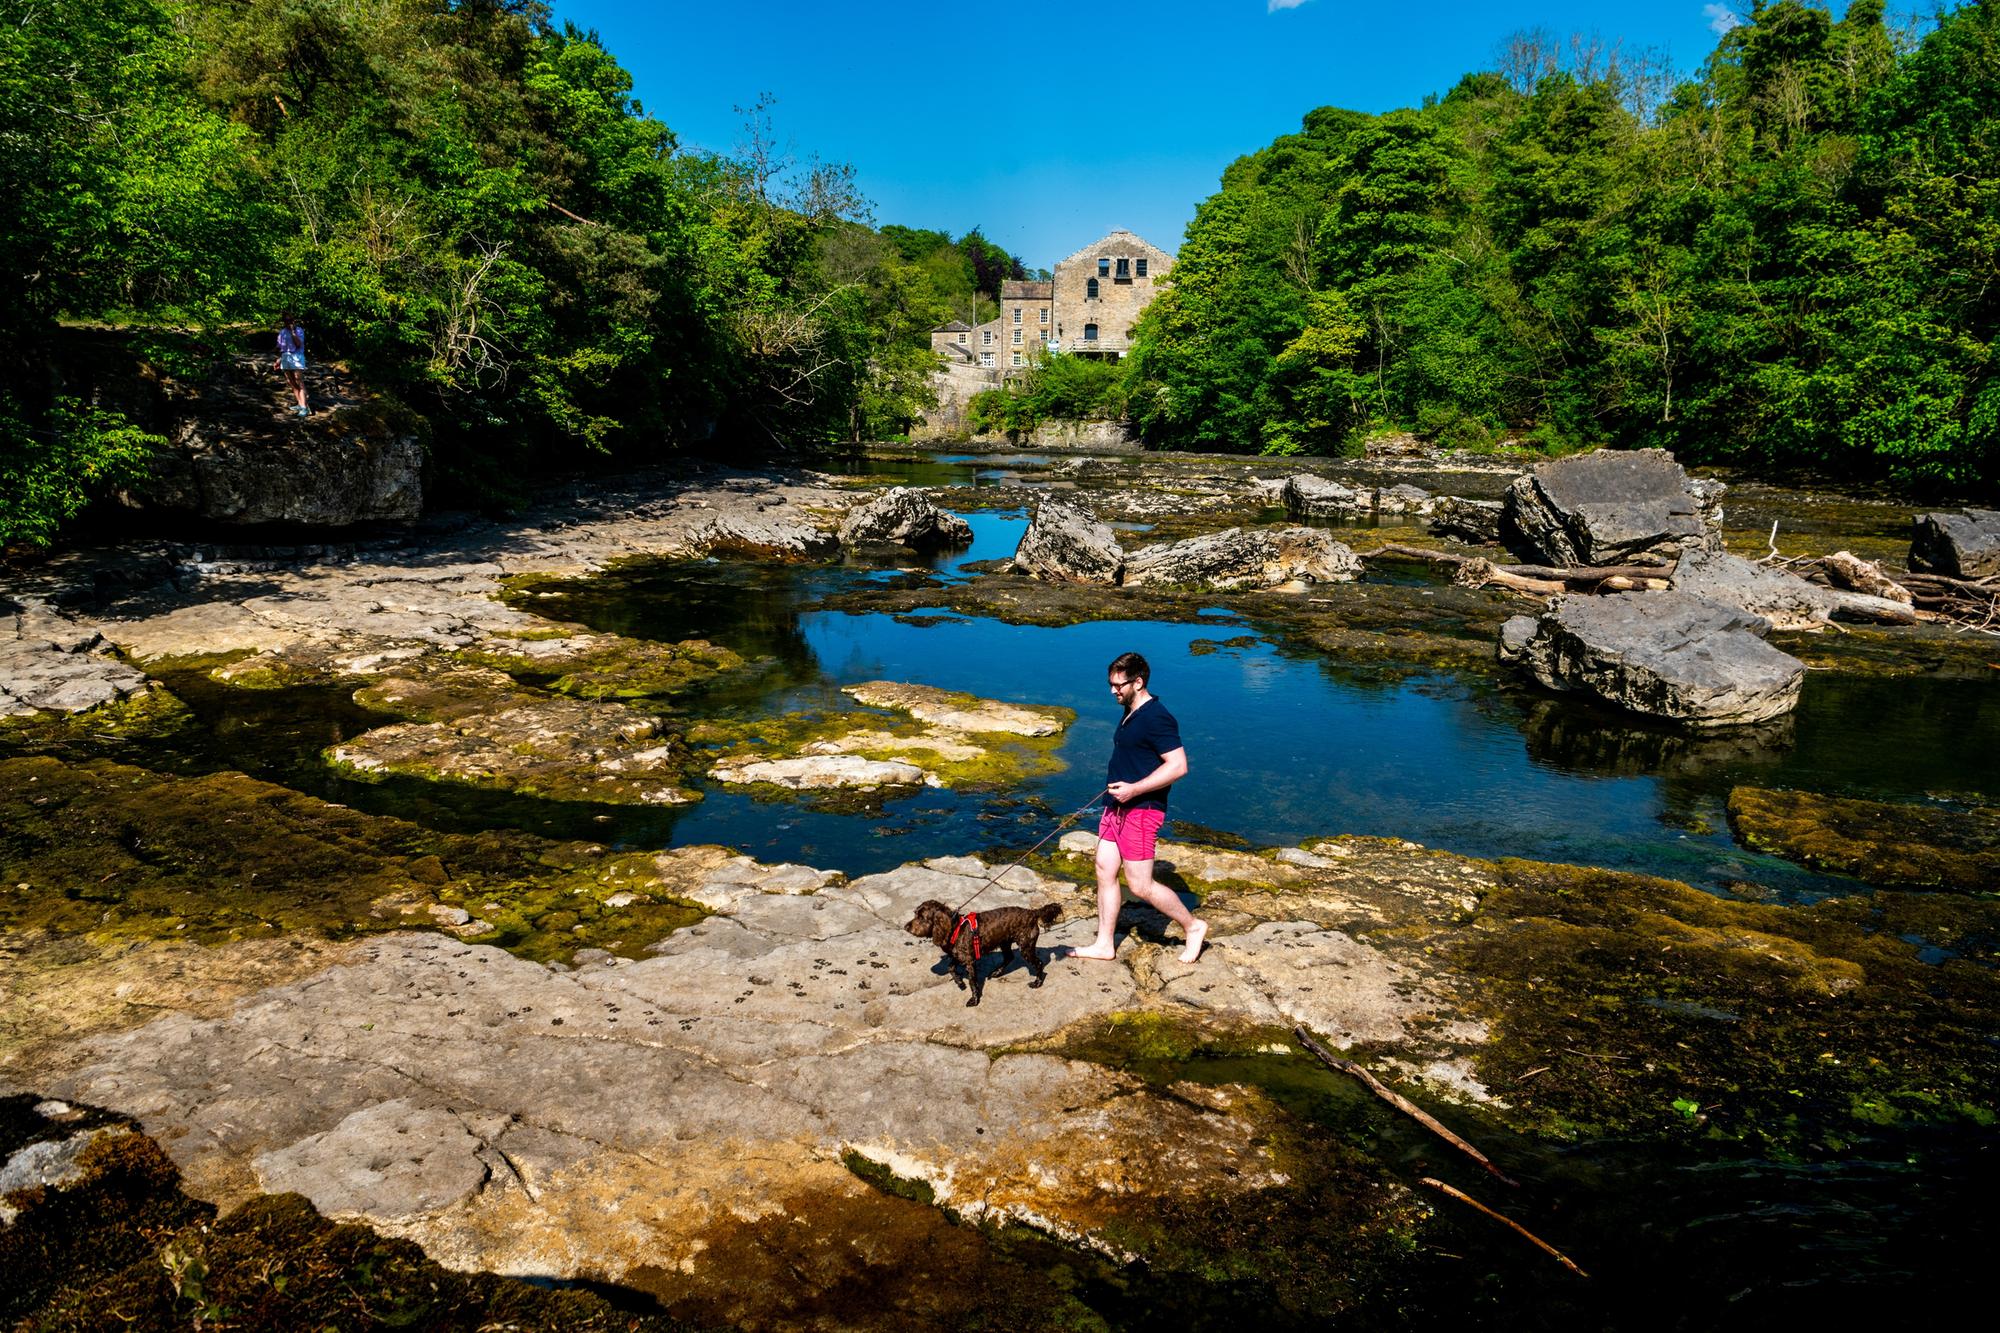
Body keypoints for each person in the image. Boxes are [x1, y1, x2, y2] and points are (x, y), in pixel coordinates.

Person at [1073, 651, 1208, 964]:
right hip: (1114, 805)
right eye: (1111, 684)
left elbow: (1178, 766)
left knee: (1140, 885)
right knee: (1105, 869)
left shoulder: (1157, 717)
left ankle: (1193, 925)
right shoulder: (1129, 711)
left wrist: (1134, 789)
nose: (1112, 691)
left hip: (1142, 809)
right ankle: (1105, 944)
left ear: (1139, 682)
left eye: (1119, 685)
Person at [274, 313, 309, 417]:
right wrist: (278, 360)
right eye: (286, 320)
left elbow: (298, 344)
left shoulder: (299, 331)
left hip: (297, 357)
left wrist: (293, 332)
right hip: (286, 358)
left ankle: (304, 407)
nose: (288, 322)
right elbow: (281, 348)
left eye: (290, 320)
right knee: (291, 382)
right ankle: (300, 403)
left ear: (293, 320)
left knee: (299, 381)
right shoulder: (282, 332)